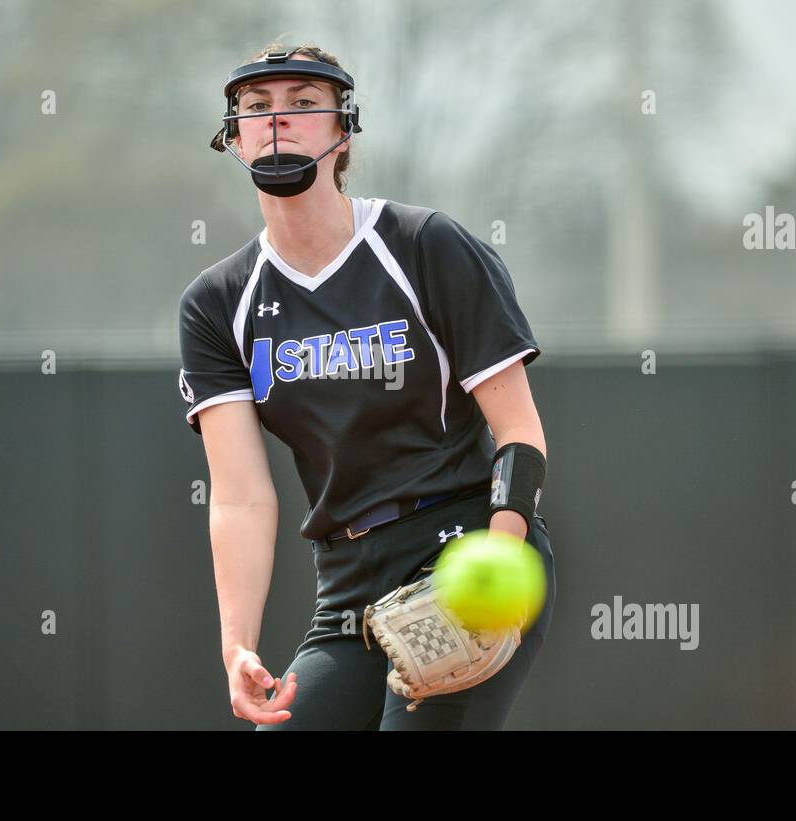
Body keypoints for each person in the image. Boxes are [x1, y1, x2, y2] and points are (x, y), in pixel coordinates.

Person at [178, 43, 555, 730]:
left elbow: (519, 430)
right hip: (347, 588)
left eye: (302, 103)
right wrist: (237, 643)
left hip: (465, 550)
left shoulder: (424, 245)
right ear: (232, 135)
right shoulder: (218, 302)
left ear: (343, 128)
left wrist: (501, 553)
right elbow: (238, 494)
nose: (276, 121)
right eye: (256, 108)